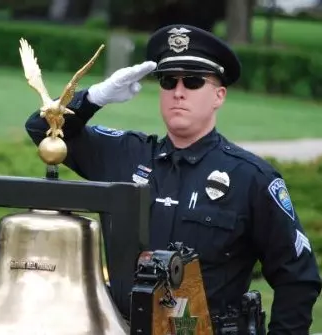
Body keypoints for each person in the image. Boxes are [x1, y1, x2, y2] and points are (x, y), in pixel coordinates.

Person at [25, 24, 321, 333]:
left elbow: (297, 278)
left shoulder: (250, 177)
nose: (178, 92)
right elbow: (40, 129)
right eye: (168, 81)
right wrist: (95, 97)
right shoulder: (126, 155)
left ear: (219, 95)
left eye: (192, 82)